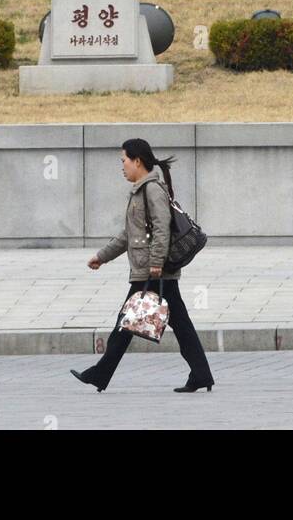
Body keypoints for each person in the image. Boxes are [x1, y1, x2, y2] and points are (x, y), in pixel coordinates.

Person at [70, 138, 215, 394]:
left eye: (124, 160)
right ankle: (201, 374)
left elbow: (162, 229)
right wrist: (102, 256)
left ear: (137, 161)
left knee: (125, 323)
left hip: (152, 271)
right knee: (177, 323)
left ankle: (100, 374)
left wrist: (157, 264)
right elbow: (128, 234)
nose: (122, 166)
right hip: (151, 270)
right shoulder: (141, 191)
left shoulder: (152, 191)